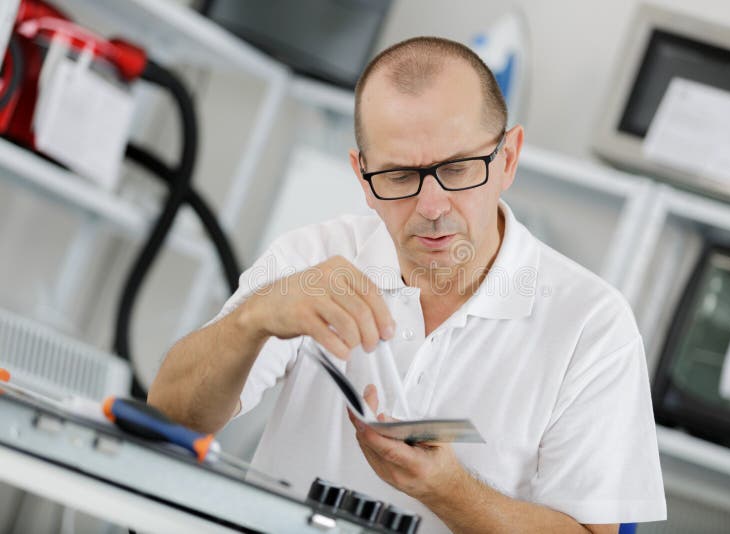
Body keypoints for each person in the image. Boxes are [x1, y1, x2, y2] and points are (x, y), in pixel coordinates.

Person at [148, 36, 666, 533]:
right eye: (398, 177)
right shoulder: (312, 257)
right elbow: (170, 417)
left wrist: (449, 490)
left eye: (459, 168)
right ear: (362, 176)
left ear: (508, 159)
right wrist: (252, 319)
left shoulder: (593, 327)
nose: (432, 208)